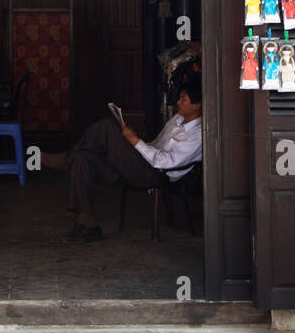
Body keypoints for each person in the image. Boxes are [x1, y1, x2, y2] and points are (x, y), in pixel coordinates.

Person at [42, 79, 203, 243]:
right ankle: (87, 224)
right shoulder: (177, 119)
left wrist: (135, 141)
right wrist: (133, 145)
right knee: (83, 159)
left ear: (197, 105)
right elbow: (157, 144)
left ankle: (64, 159)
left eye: (184, 99)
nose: (178, 102)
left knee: (107, 126)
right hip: (142, 165)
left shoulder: (198, 134)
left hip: (157, 174)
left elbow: (166, 162)